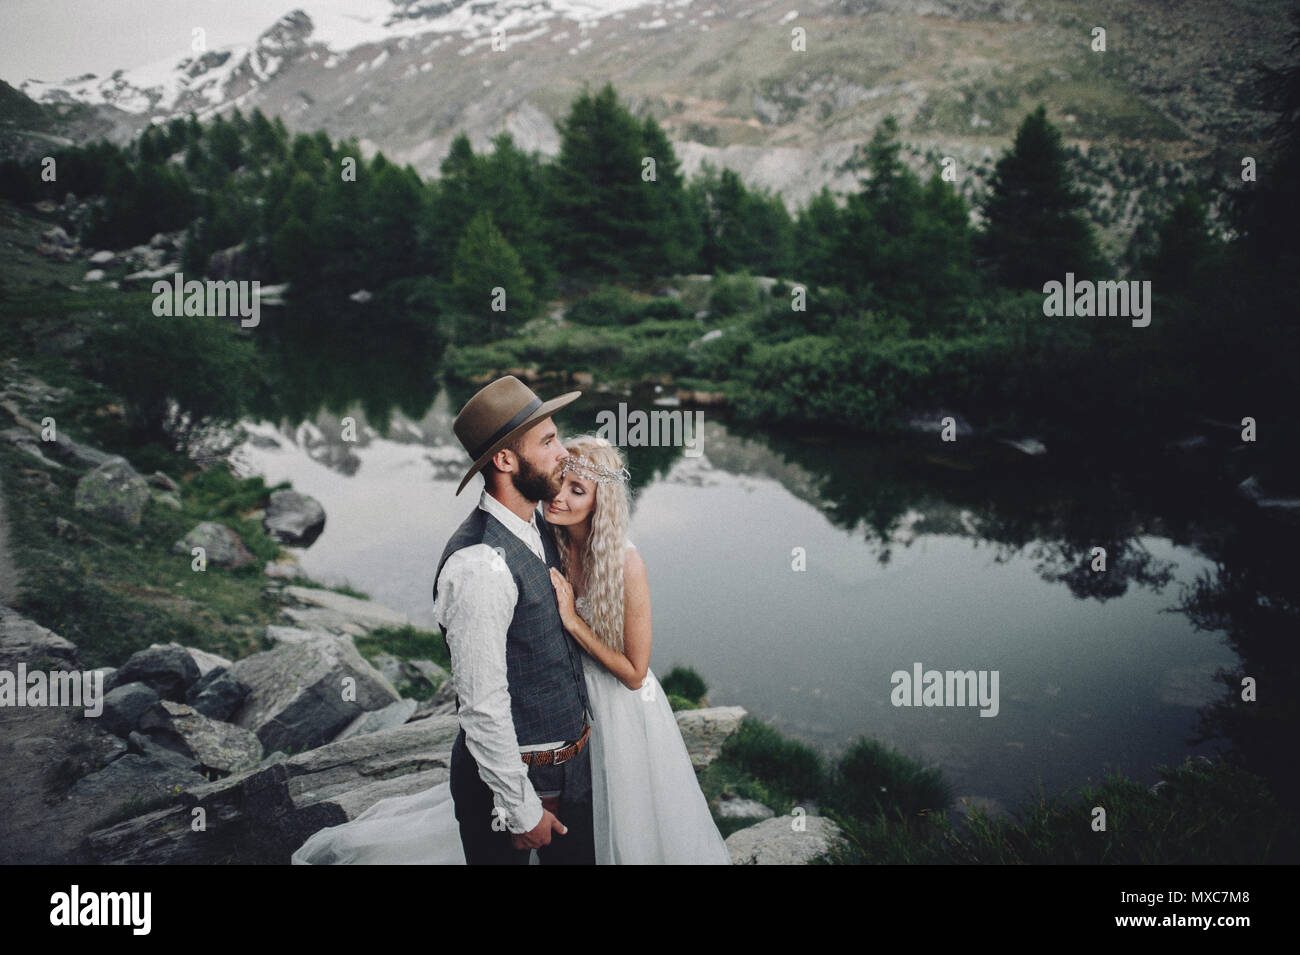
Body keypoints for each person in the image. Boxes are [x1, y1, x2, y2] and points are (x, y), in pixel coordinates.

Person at [291, 379, 729, 864]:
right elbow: (482, 705)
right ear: (505, 460)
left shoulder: (540, 527)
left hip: (573, 770)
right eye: (547, 443)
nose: (563, 454)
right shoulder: (480, 565)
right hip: (525, 784)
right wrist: (521, 810)